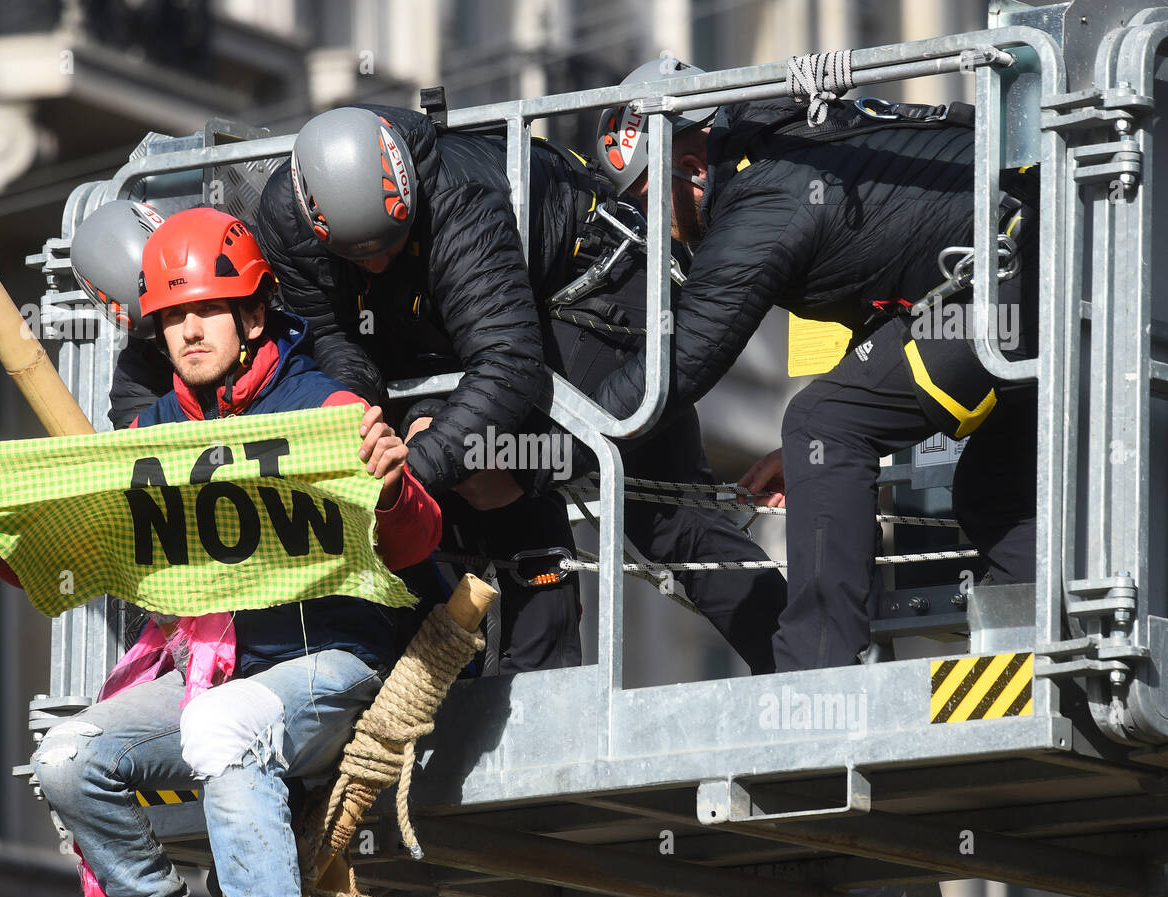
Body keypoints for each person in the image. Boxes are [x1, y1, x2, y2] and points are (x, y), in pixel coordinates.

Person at [0, 207, 441, 897]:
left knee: (220, 722)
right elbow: (78, 560)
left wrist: (392, 490)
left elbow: (416, 546)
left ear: (255, 317)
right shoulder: (149, 434)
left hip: (332, 666)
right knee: (63, 759)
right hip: (215, 678)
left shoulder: (327, 408)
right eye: (174, 317)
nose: (190, 331)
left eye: (208, 310)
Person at [253, 103, 788, 674]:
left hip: (597, 287)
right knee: (462, 471)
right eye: (363, 257)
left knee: (628, 505)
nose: (381, 265)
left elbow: (507, 360)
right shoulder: (285, 222)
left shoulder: (458, 201)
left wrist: (422, 465)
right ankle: (484, 697)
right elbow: (337, 339)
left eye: (393, 243)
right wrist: (363, 420)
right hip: (468, 332)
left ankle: (802, 668)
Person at [592, 58, 1038, 672]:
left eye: (649, 203)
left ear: (692, 170)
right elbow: (890, 282)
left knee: (822, 422)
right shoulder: (793, 144)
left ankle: (813, 674)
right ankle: (1042, 644)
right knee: (992, 491)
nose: (653, 230)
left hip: (1012, 274)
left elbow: (683, 358)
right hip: (1040, 262)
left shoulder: (764, 198)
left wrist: (563, 435)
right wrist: (809, 463)